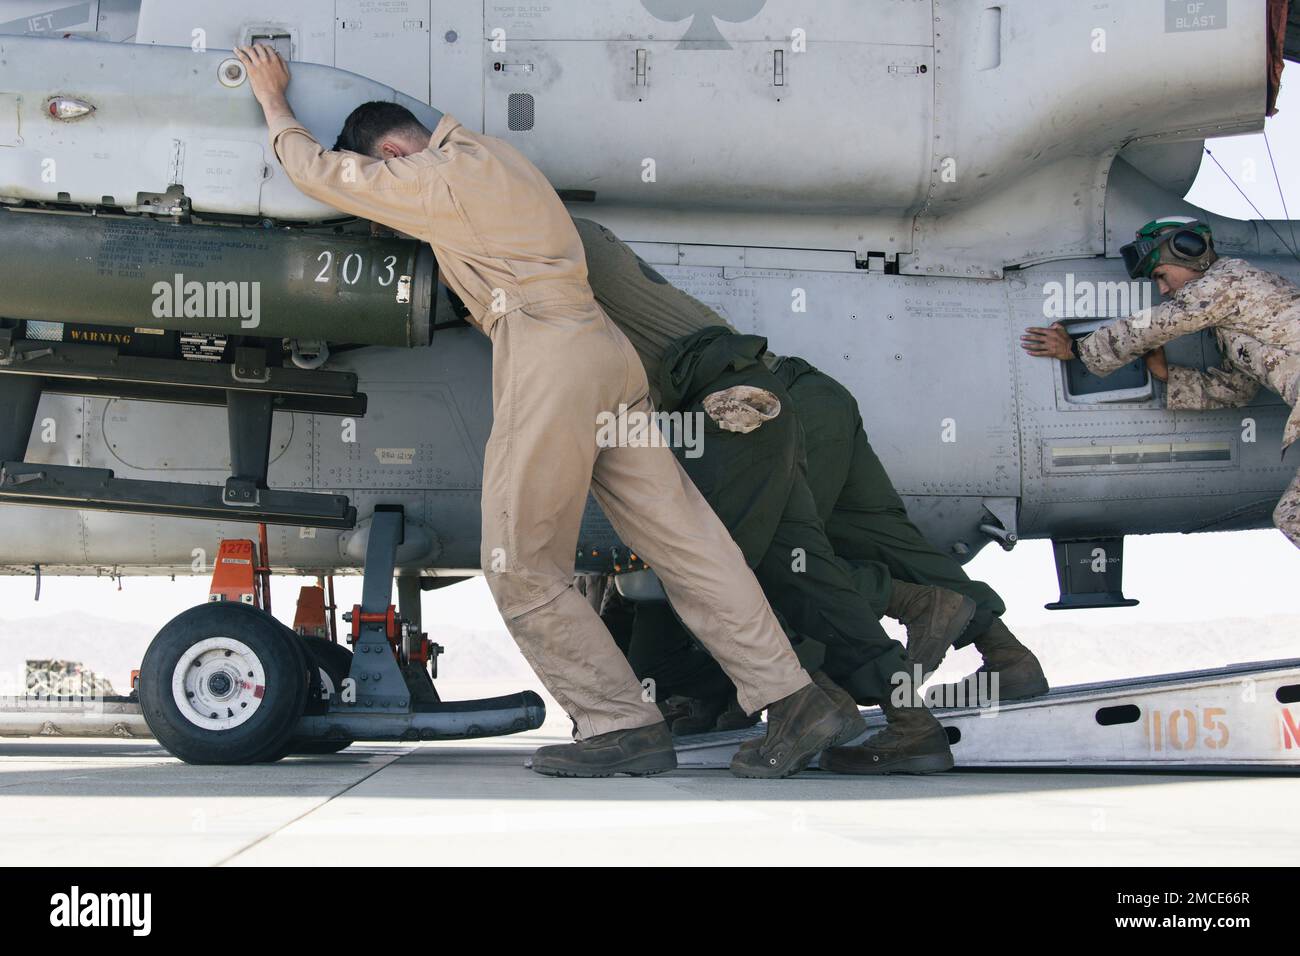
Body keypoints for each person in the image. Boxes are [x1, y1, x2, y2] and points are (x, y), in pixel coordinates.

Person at [236, 45, 856, 779]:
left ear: (398, 151)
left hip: (548, 353)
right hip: (605, 353)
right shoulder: (496, 159)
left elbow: (320, 174)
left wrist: (274, 103)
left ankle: (620, 724)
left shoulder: (439, 176)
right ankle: (794, 700)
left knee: (521, 560)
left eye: (387, 174)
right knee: (687, 541)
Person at [576, 218, 960, 774]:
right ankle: (911, 725)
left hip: (722, 412)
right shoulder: (577, 232)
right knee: (807, 577)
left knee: (712, 581)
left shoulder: (537, 237)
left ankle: (804, 710)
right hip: (757, 402)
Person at [1023, 217, 1300, 550]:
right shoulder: (1235, 315)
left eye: (1160, 276)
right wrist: (1168, 376)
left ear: (1187, 251)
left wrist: (1078, 350)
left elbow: (1155, 325)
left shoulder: (1228, 280)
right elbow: (1237, 389)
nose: (1164, 290)